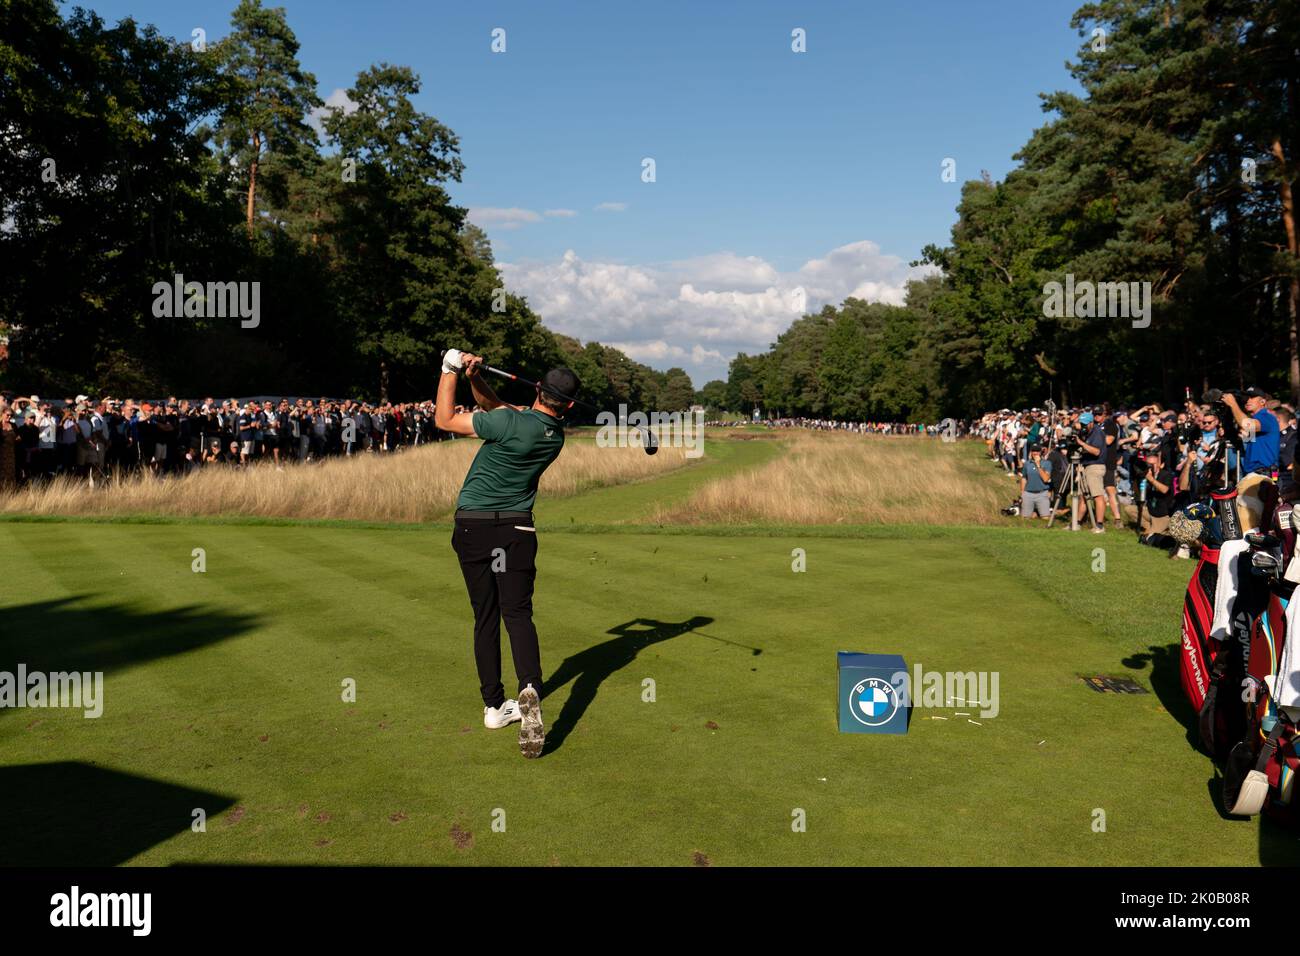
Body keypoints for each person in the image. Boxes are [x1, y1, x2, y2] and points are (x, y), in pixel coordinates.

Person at [435, 348, 575, 759]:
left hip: (473, 527)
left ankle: (494, 707)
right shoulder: (554, 435)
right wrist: (475, 377)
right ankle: (529, 688)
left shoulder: (509, 421)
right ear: (566, 404)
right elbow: (495, 407)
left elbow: (444, 420)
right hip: (516, 529)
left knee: (485, 617)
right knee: (518, 614)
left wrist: (449, 370)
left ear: (537, 389)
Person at [1222, 387, 1280, 479]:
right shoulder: (1255, 419)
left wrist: (1233, 404)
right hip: (1253, 472)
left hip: (1265, 472)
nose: (1247, 400)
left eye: (1252, 397)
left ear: (1262, 402)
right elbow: (1246, 442)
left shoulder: (1267, 417)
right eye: (1246, 397)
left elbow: (1246, 425)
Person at [1076, 410, 1108, 533]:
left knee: (1097, 496)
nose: (1083, 426)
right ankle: (1077, 523)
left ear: (1091, 423)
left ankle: (1099, 526)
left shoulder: (1097, 433)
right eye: (1081, 424)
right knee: (1083, 497)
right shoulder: (1087, 433)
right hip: (1086, 466)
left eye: (1085, 424)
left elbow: (1096, 451)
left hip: (1095, 466)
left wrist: (1081, 444)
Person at [1020, 444, 1053, 520]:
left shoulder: (1047, 463)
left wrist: (1038, 465)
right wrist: (1022, 492)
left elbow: (1046, 479)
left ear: (1040, 452)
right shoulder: (1027, 464)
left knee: (1045, 518)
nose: (1035, 453)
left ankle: (1038, 512)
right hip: (1028, 493)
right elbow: (1024, 478)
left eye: (1037, 451)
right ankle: (1034, 513)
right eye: (1033, 451)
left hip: (1042, 493)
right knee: (1025, 519)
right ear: (1031, 452)